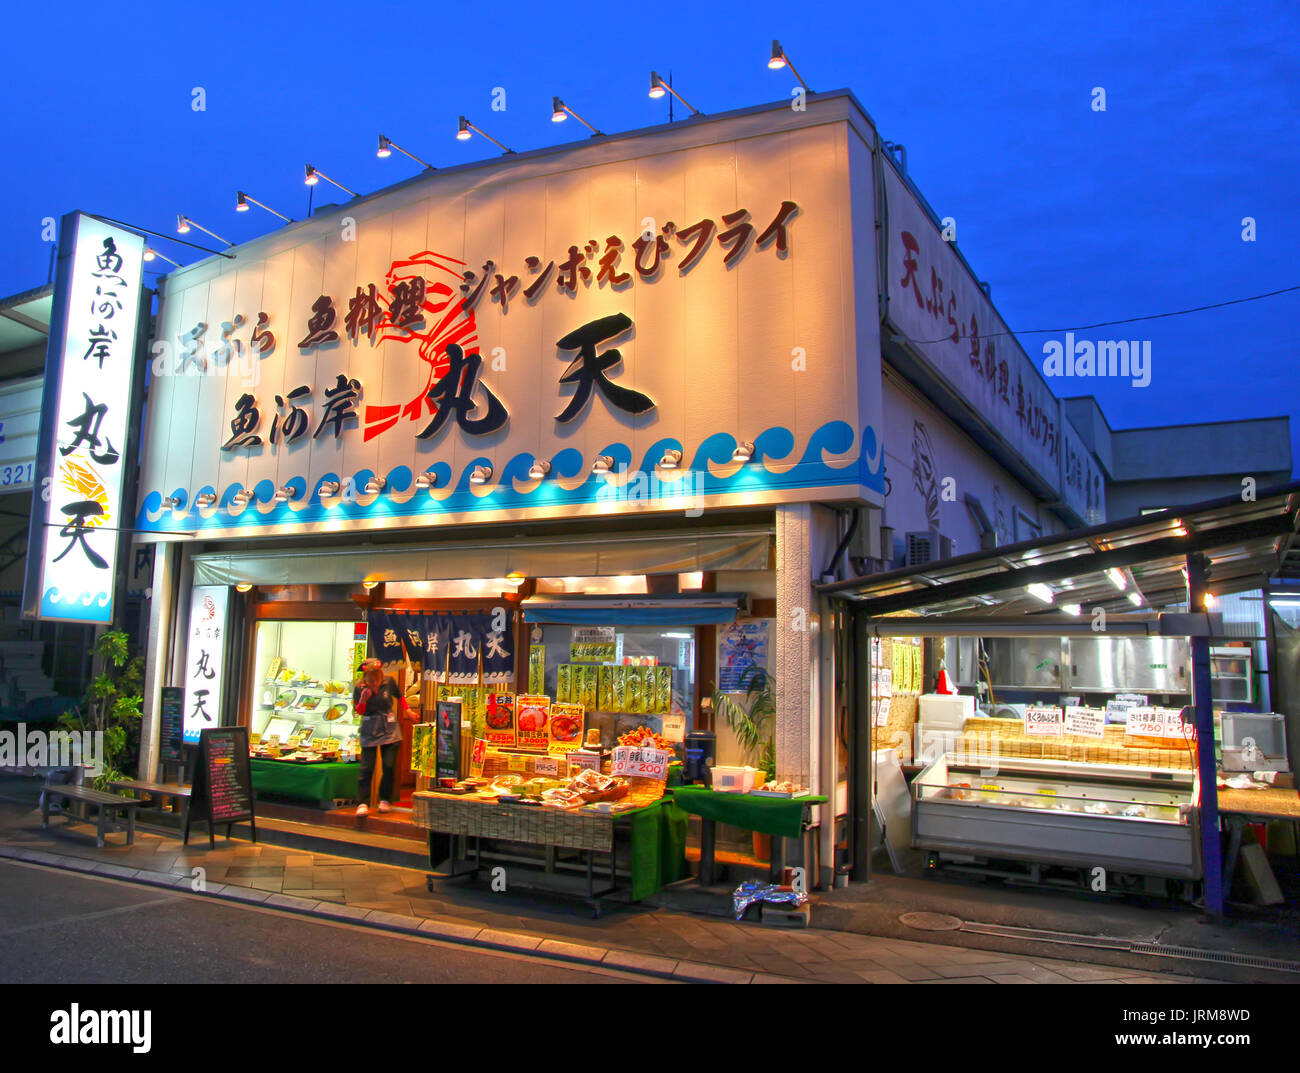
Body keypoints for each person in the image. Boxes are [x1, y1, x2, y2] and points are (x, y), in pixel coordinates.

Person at [352, 658, 413, 816]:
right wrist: (363, 700)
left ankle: (385, 799)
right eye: (370, 679)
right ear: (365, 677)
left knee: (389, 766)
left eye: (376, 678)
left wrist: (407, 711)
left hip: (389, 728)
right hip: (370, 727)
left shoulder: (389, 681)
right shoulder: (359, 687)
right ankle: (363, 802)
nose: (374, 682)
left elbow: (400, 697)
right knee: (366, 767)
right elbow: (358, 711)